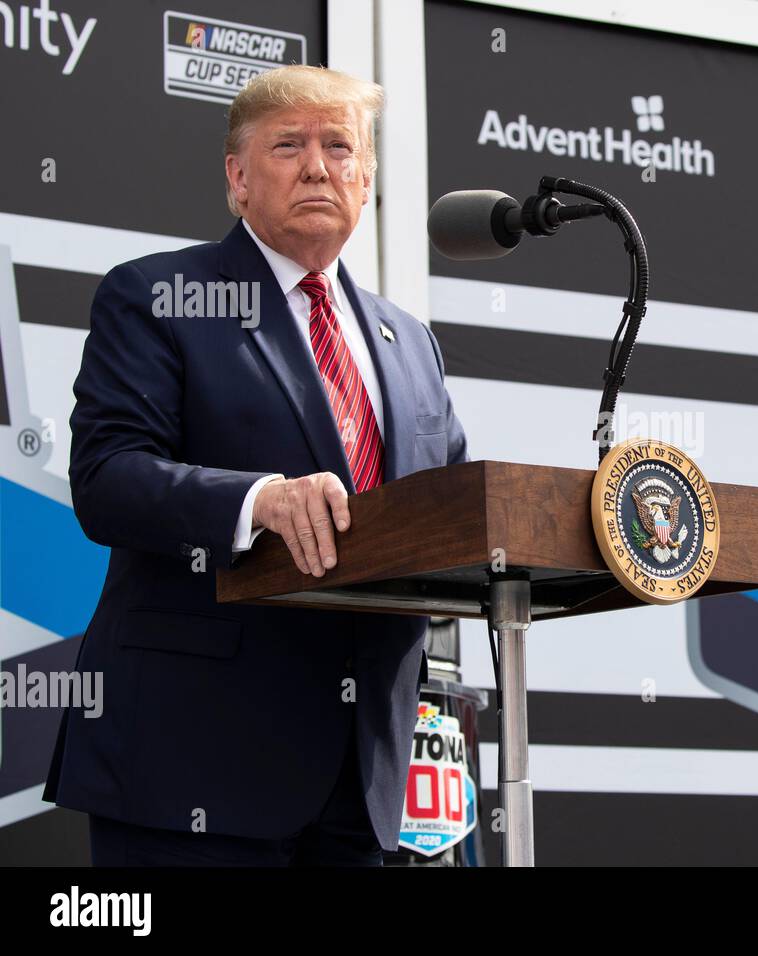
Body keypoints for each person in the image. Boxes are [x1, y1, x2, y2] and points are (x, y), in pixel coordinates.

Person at [42, 65, 469, 865]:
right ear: (237, 178)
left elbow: (447, 511)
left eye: (339, 146)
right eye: (289, 146)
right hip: (191, 765)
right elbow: (107, 480)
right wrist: (259, 501)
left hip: (361, 779)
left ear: (367, 180)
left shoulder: (409, 340)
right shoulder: (159, 295)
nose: (318, 166)